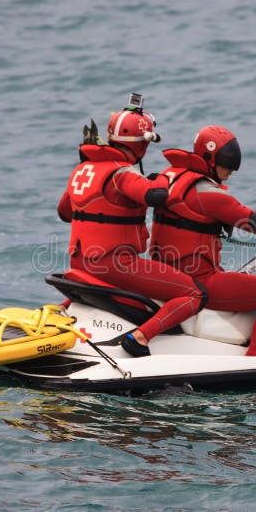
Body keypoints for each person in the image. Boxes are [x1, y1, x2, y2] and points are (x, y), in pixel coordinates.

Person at [149, 125, 256, 357]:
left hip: (165, 274)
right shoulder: (206, 193)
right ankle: (254, 362)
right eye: (227, 164)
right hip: (198, 280)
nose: (231, 170)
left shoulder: (169, 177)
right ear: (211, 158)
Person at [56, 95, 206, 357]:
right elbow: (156, 196)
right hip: (115, 264)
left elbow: (65, 212)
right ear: (142, 145)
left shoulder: (83, 170)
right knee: (194, 293)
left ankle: (57, 315)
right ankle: (139, 338)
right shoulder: (122, 172)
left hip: (80, 262)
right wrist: (161, 178)